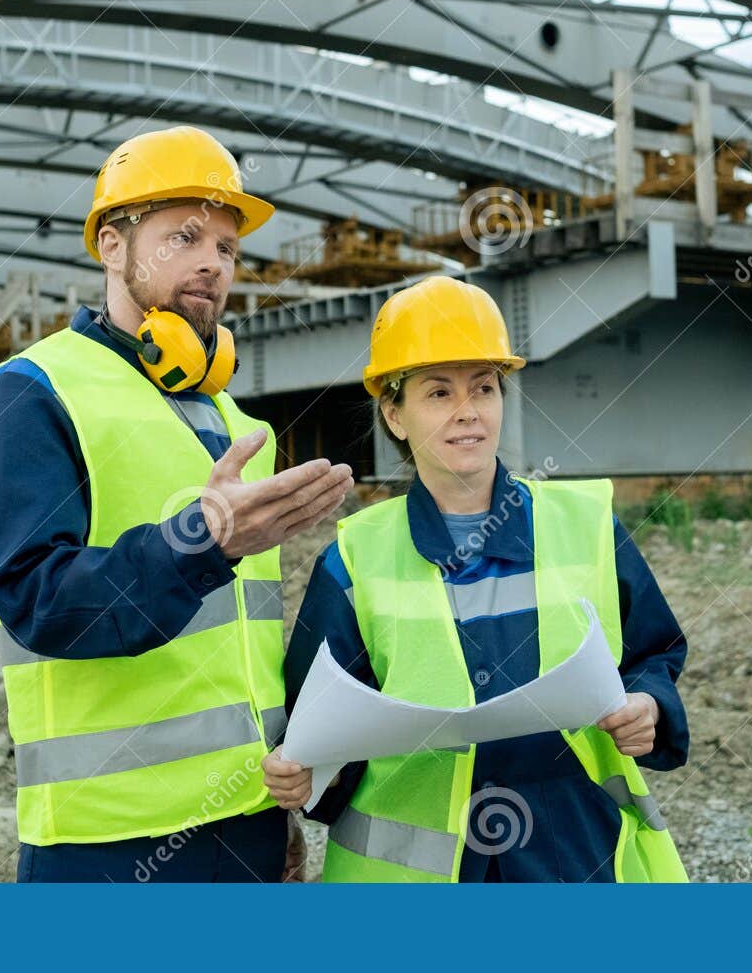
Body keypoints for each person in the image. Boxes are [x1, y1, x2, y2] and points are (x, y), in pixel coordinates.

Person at [0, 125, 353, 882]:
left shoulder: (232, 420)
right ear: (112, 245)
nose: (213, 261)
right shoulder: (30, 395)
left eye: (228, 248)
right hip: (107, 842)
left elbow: (244, 644)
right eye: (185, 236)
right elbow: (38, 601)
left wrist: (282, 806)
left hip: (249, 827)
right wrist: (204, 541)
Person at [262, 275, 689, 882]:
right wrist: (301, 771)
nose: (467, 411)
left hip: (572, 855)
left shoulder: (586, 524)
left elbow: (656, 651)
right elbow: (314, 719)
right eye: (438, 393)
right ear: (395, 414)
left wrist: (649, 703)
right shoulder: (355, 557)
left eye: (483, 388)